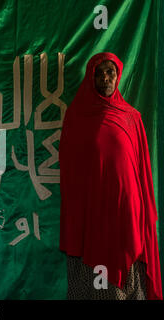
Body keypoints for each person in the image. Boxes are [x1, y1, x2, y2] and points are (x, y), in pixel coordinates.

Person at [59, 52, 162, 300]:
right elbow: (70, 168)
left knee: (128, 259)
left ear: (118, 76)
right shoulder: (77, 116)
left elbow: (141, 170)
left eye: (111, 72)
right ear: (91, 77)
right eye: (100, 73)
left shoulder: (131, 117)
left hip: (126, 210)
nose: (106, 78)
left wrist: (140, 209)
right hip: (93, 211)